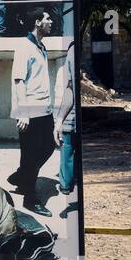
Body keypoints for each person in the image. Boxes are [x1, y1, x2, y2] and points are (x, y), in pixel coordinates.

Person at [9, 6, 55, 217]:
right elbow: (20, 81)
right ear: (37, 22)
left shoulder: (41, 47)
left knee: (47, 147)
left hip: (44, 109)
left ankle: (21, 177)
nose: (51, 22)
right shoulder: (24, 47)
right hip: (30, 110)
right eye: (47, 19)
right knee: (31, 154)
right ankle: (30, 199)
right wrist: (24, 113)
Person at [54, 39, 77, 217]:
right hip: (70, 118)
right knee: (66, 149)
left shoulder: (71, 52)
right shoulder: (72, 52)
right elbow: (70, 88)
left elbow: (70, 88)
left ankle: (66, 184)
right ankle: (66, 184)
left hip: (72, 118)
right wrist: (59, 119)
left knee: (67, 151)